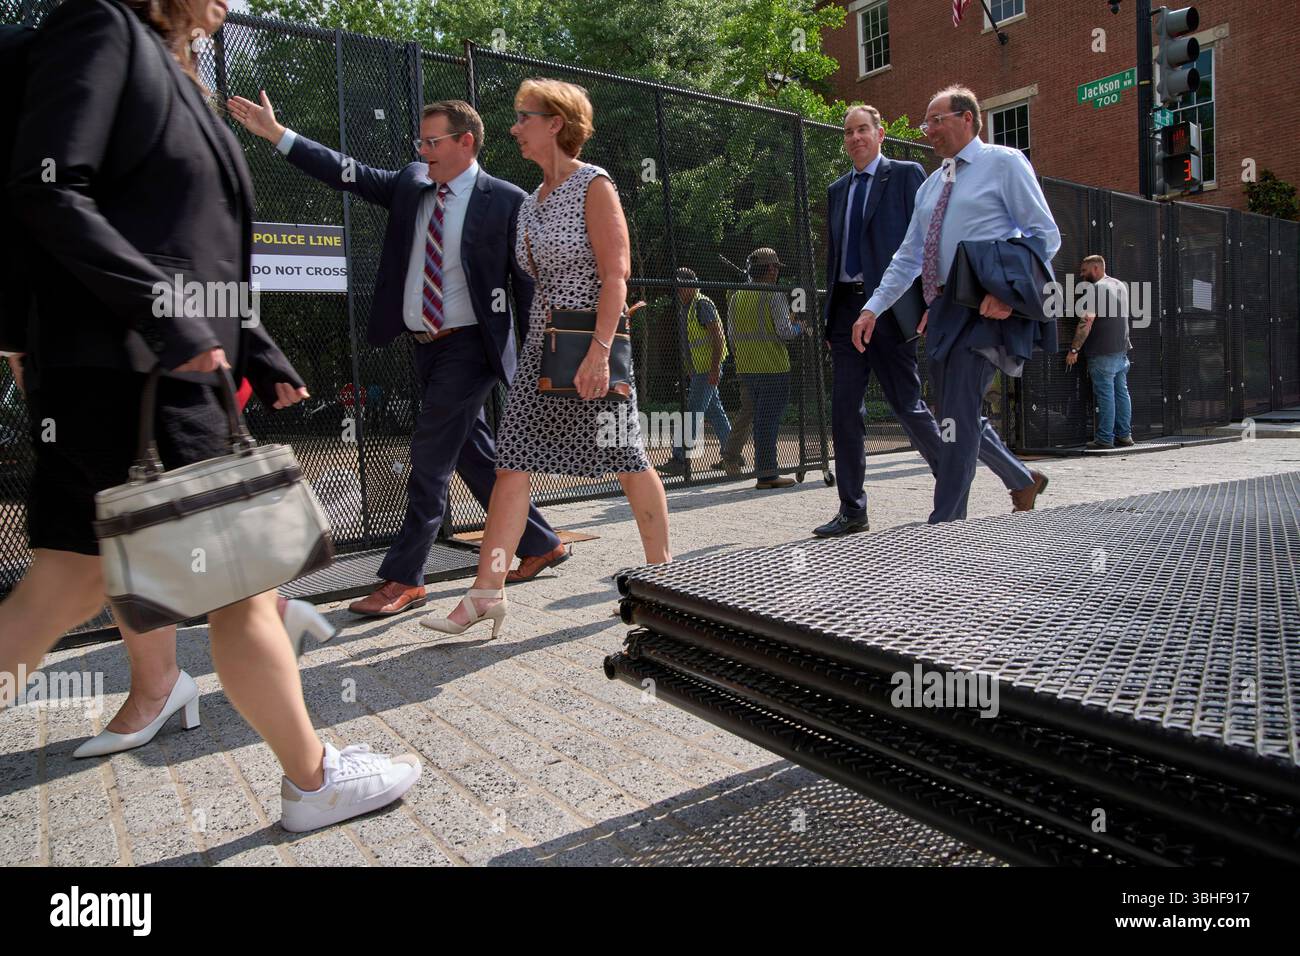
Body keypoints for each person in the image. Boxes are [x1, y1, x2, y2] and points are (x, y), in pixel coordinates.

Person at [3, 0, 419, 831]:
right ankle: (312, 779)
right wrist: (166, 313)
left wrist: (254, 341)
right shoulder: (102, 29)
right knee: (241, 583)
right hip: (140, 371)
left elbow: (183, 232)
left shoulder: (164, 61)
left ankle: (299, 766)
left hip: (118, 367)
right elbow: (49, 188)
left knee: (63, 584)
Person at [226, 93, 569, 617]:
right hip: (424, 347)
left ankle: (404, 579)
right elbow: (348, 173)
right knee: (471, 450)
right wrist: (277, 134)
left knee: (429, 459)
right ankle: (541, 541)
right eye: (421, 142)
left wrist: (535, 360)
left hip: (473, 347)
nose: (423, 150)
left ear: (465, 142)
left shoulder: (506, 201)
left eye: (433, 142)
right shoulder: (412, 183)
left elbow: (526, 287)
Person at [422, 78, 671, 637]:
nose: (513, 128)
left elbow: (615, 276)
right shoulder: (531, 201)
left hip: (591, 348)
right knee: (512, 466)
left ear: (555, 123)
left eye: (522, 117)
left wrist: (601, 354)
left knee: (629, 461)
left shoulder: (594, 185)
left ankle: (663, 585)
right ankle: (487, 592)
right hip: (541, 349)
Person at [853, 86, 1058, 523]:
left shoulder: (1003, 163)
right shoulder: (930, 186)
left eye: (936, 120)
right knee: (952, 414)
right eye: (926, 123)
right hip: (944, 310)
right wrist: (873, 308)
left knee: (958, 417)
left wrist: (1009, 296)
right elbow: (908, 256)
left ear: (967, 118)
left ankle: (945, 526)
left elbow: (1044, 235)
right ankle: (1021, 478)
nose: (928, 131)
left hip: (987, 309)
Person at [720, 248, 803, 490]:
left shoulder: (737, 296)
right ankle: (767, 474)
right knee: (767, 423)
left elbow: (732, 336)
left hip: (747, 369)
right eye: (776, 267)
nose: (778, 272)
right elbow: (785, 332)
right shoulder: (773, 295)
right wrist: (798, 326)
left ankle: (743, 462)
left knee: (754, 417)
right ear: (770, 269)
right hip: (773, 368)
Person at [657, 267, 731, 476]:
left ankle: (680, 458)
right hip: (700, 370)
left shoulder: (702, 304)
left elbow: (718, 338)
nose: (678, 291)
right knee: (715, 411)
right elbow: (690, 343)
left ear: (690, 285)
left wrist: (715, 367)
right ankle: (731, 453)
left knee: (692, 412)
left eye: (681, 287)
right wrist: (691, 368)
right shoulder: (687, 308)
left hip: (708, 368)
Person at [1066, 255, 1134, 449]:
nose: (1081, 275)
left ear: (1096, 268)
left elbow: (1087, 321)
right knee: (1121, 393)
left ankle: (1105, 438)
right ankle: (1124, 435)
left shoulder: (1098, 289)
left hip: (1103, 352)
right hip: (1121, 351)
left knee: (1106, 395)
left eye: (1084, 271)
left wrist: (1074, 349)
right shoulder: (1120, 285)